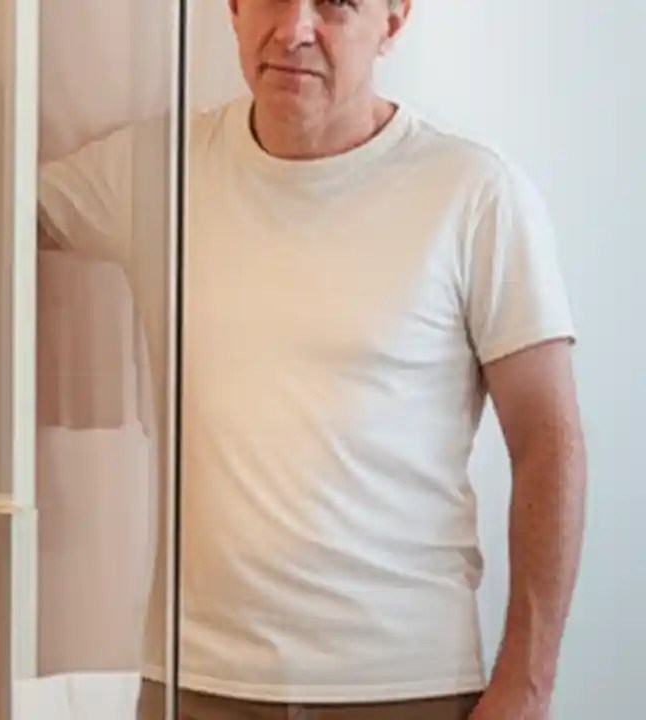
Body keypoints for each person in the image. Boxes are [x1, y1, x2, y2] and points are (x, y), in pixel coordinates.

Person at [37, 0, 588, 718]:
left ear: (392, 21)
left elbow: (550, 442)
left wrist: (528, 684)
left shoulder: (473, 193)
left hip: (406, 687)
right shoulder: (157, 171)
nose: (294, 28)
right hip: (196, 686)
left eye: (335, 3)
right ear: (233, 9)